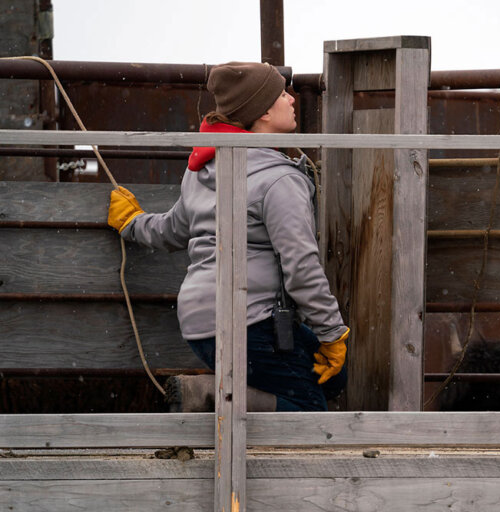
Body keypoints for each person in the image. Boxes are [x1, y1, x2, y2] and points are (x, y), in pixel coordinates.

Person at [107, 62, 349, 412]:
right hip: (249, 322)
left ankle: (224, 397)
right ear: (263, 111)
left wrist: (132, 221)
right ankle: (205, 395)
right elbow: (302, 265)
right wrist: (331, 332)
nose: (291, 99)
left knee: (333, 380)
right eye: (282, 94)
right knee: (309, 413)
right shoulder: (279, 180)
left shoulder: (205, 167)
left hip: (200, 321)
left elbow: (173, 230)